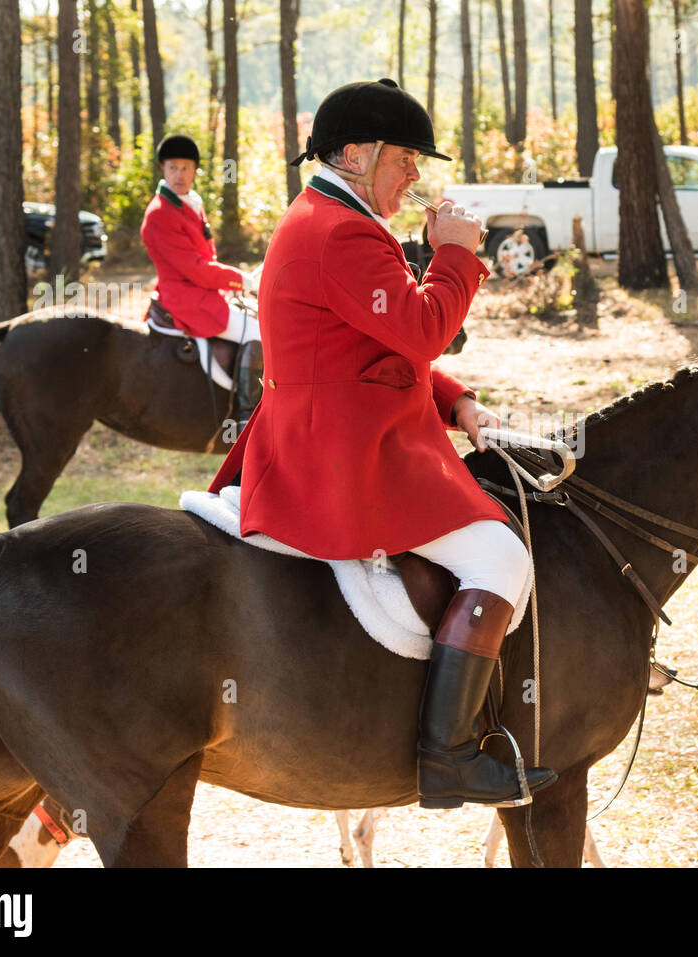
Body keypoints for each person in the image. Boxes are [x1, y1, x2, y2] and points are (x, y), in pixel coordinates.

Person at [206, 78, 556, 808]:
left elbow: (375, 351)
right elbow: (424, 330)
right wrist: (457, 256)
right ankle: (449, 755)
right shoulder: (343, 232)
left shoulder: (326, 215)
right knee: (501, 556)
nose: (416, 173)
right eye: (406, 157)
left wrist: (458, 400)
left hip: (332, 429)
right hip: (342, 458)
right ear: (357, 154)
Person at [140, 133, 264, 424]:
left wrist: (233, 284)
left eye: (185, 168)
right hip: (186, 298)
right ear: (163, 169)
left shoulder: (188, 203)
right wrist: (242, 281)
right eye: (173, 167)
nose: (179, 174)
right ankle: (248, 419)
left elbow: (206, 260)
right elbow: (195, 268)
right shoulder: (160, 213)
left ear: (195, 170)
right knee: (256, 334)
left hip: (203, 292)